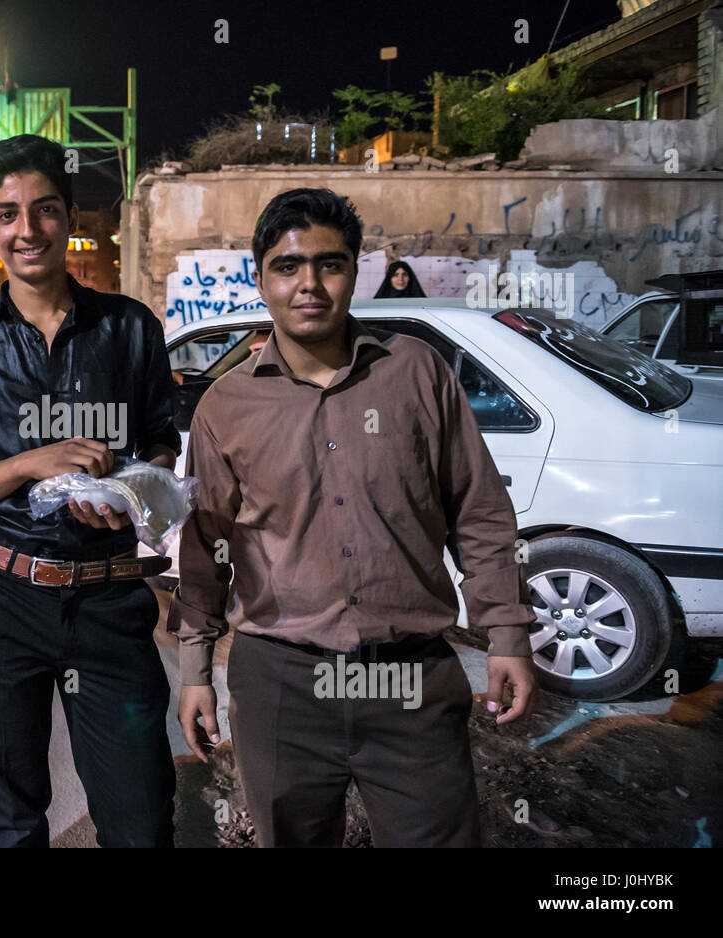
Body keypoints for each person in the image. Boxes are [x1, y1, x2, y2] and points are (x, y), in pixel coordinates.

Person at [171, 188, 536, 847]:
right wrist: (195, 672)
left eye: (329, 264)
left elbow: (480, 513)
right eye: (287, 266)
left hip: (411, 681)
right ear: (261, 278)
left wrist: (506, 632)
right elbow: (205, 548)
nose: (309, 283)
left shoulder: (416, 375)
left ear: (354, 270)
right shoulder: (225, 407)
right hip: (280, 683)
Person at [0, 133, 181, 848]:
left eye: (44, 210)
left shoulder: (128, 329)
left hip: (109, 599)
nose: (26, 230)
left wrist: (128, 488)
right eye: (7, 214)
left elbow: (161, 441)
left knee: (142, 817)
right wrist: (28, 464)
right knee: (11, 819)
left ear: (70, 217)